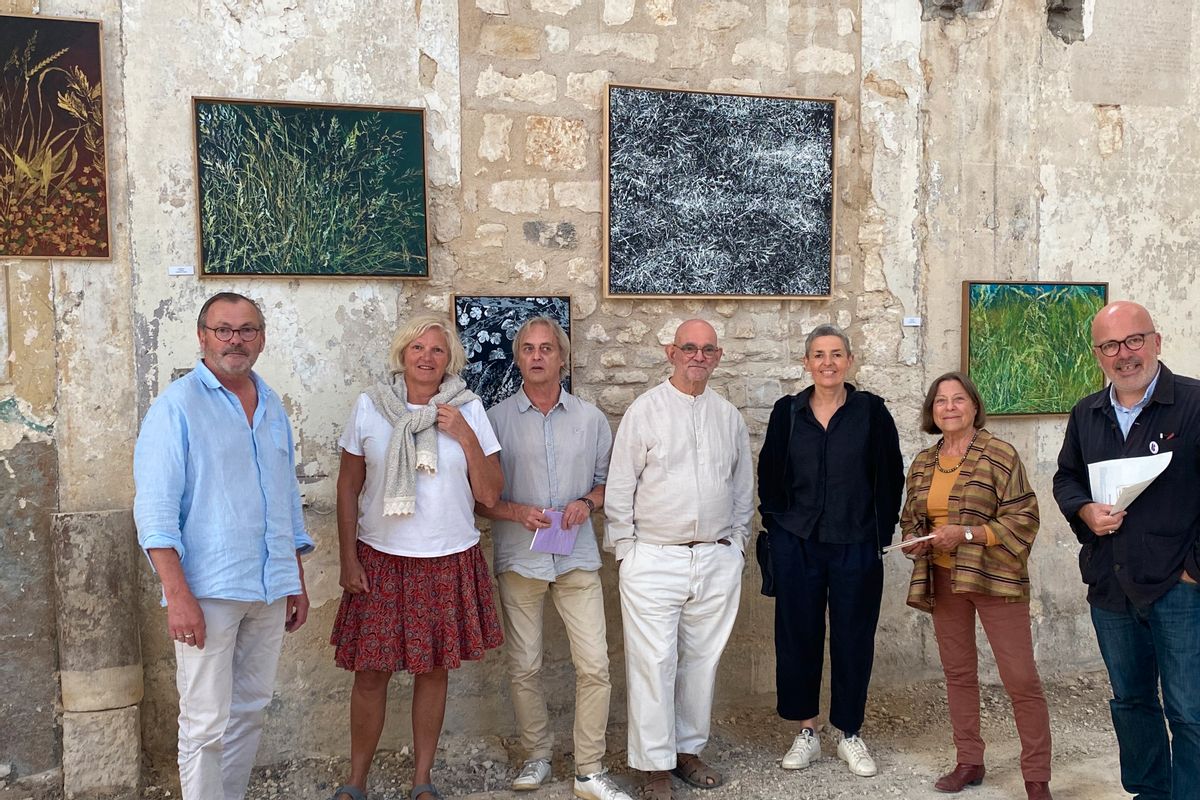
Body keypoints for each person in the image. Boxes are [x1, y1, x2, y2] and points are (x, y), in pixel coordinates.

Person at [133, 291, 314, 800]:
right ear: (202, 337)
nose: (235, 340)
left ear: (261, 338)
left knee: (251, 709)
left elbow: (285, 499)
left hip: (270, 584)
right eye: (223, 330)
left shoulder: (272, 403)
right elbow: (155, 512)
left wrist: (294, 578)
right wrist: (178, 595)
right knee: (205, 721)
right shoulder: (175, 408)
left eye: (247, 330)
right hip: (208, 589)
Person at [329, 313, 504, 800]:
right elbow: (348, 486)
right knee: (370, 672)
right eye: (418, 349)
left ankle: (422, 780)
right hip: (382, 558)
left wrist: (466, 437)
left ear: (450, 360)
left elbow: (489, 493)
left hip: (447, 557)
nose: (427, 358)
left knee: (433, 671)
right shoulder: (370, 407)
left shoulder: (469, 409)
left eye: (438, 350)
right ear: (402, 354)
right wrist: (348, 557)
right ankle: (355, 781)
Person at [478, 317, 631, 800]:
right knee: (524, 666)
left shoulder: (589, 419)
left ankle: (588, 769)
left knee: (595, 666)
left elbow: (612, 482)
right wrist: (515, 511)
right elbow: (480, 498)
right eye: (528, 348)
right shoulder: (496, 420)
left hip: (576, 557)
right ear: (518, 357)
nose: (538, 356)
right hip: (520, 558)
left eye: (548, 348)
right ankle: (537, 756)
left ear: (563, 358)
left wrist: (587, 503)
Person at [1053, 300, 1200, 800]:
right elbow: (1066, 477)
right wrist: (1084, 512)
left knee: (1190, 709)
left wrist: (1193, 571)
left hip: (1179, 590)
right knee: (1132, 702)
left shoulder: (1194, 405)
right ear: (1098, 355)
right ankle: (1149, 793)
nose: (1124, 354)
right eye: (1111, 345)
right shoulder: (1087, 413)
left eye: (1134, 340)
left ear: (1156, 342)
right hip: (1111, 586)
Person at [604, 319, 753, 800]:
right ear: (671, 353)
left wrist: (735, 546)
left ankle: (688, 751)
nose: (698, 356)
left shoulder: (727, 416)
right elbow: (621, 486)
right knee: (653, 662)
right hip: (654, 558)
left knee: (700, 663)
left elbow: (741, 489)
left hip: (714, 559)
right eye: (689, 347)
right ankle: (653, 767)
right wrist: (627, 552)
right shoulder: (644, 411)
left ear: (719, 356)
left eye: (708, 349)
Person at [756, 324, 903, 778]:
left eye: (836, 354)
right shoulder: (788, 412)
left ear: (849, 361)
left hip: (855, 543)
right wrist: (778, 528)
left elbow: (890, 475)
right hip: (797, 543)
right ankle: (806, 731)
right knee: (797, 636)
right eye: (818, 355)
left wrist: (880, 534)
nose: (827, 362)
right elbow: (770, 472)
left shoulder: (871, 412)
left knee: (853, 638)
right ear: (806, 363)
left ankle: (849, 733)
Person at [898, 372, 1051, 800]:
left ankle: (1037, 778)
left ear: (974, 406)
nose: (949, 407)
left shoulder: (1000, 455)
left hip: (994, 577)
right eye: (941, 401)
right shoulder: (923, 462)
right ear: (932, 411)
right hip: (944, 578)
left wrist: (965, 535)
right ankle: (969, 760)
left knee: (1020, 678)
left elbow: (1024, 518)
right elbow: (912, 516)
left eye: (958, 399)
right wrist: (916, 540)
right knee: (959, 673)